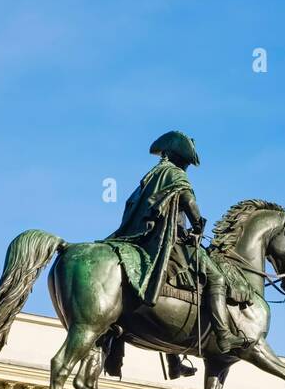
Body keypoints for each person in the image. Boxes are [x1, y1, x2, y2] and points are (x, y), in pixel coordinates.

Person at [100, 131, 247, 366]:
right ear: (178, 157)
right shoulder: (176, 175)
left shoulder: (151, 176)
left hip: (141, 238)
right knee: (217, 278)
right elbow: (188, 202)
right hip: (167, 240)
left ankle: (174, 360)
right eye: (186, 161)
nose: (187, 166)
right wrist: (198, 224)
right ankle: (223, 335)